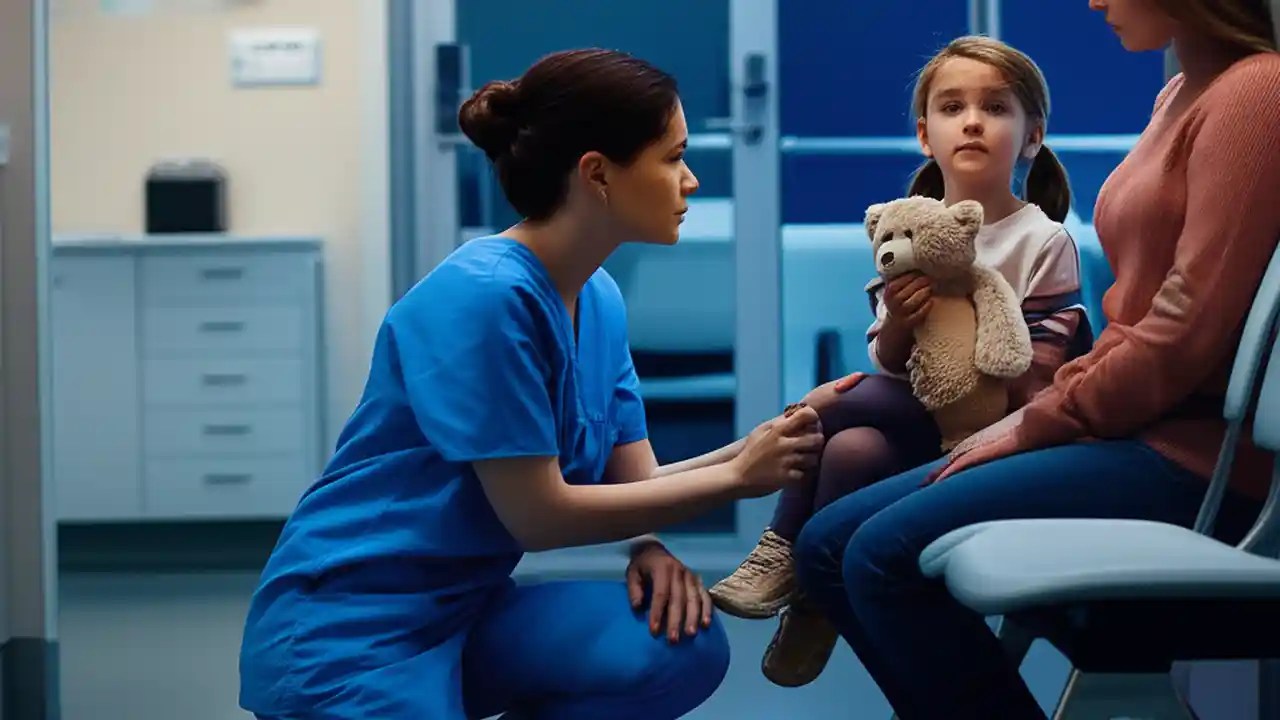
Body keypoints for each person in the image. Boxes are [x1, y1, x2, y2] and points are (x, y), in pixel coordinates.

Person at [236, 48, 826, 720]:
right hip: (350, 627)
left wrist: (757, 453)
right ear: (598, 174)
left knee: (677, 645)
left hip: (468, 608)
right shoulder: (485, 297)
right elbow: (537, 516)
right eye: (672, 157)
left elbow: (631, 483)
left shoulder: (596, 297)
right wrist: (738, 476)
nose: (690, 180)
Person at [791, 0, 1280, 717]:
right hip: (1132, 430)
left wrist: (1036, 422)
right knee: (826, 545)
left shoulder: (1256, 92)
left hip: (1194, 461)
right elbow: (1142, 317)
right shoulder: (1180, 92)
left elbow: (1183, 331)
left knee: (869, 557)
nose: (1094, 2)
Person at [708, 35, 1093, 688]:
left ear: (1031, 139)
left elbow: (1029, 376)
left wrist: (834, 399)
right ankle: (811, 595)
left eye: (995, 108)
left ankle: (783, 541)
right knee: (852, 449)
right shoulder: (907, 232)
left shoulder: (1043, 239)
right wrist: (904, 323)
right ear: (925, 134)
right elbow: (889, 359)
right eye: (952, 107)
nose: (972, 121)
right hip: (912, 424)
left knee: (834, 409)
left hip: (994, 426)